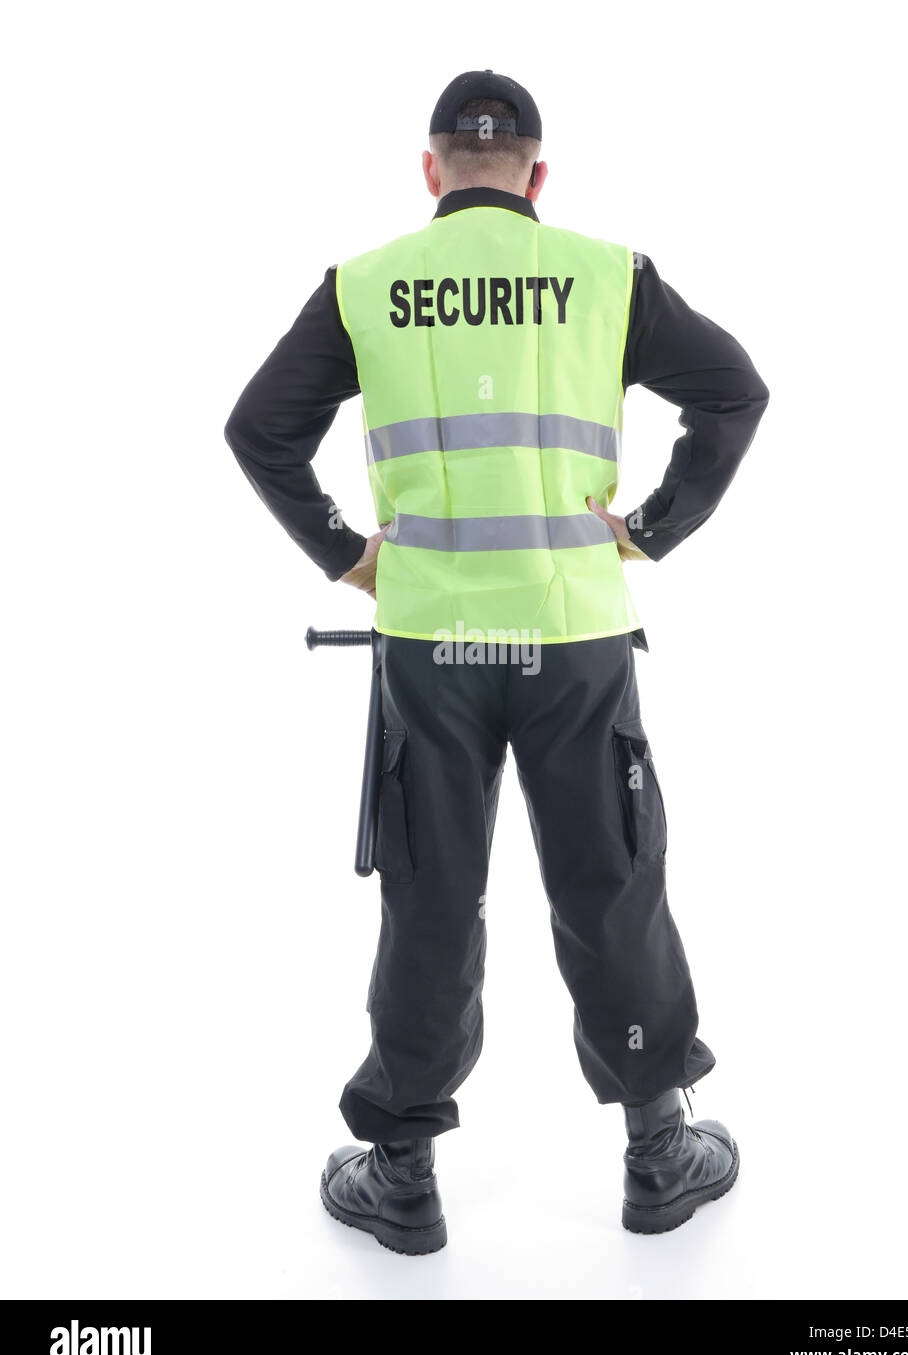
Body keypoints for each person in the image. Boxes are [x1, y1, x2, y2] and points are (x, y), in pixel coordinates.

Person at [224, 70, 769, 1256]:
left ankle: (403, 1169)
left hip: (432, 642)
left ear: (431, 172)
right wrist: (656, 526)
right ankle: (659, 1149)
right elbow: (734, 391)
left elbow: (257, 426)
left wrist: (344, 555)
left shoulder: (366, 284)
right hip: (571, 634)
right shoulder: (603, 273)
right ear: (536, 173)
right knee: (609, 881)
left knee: (432, 894)